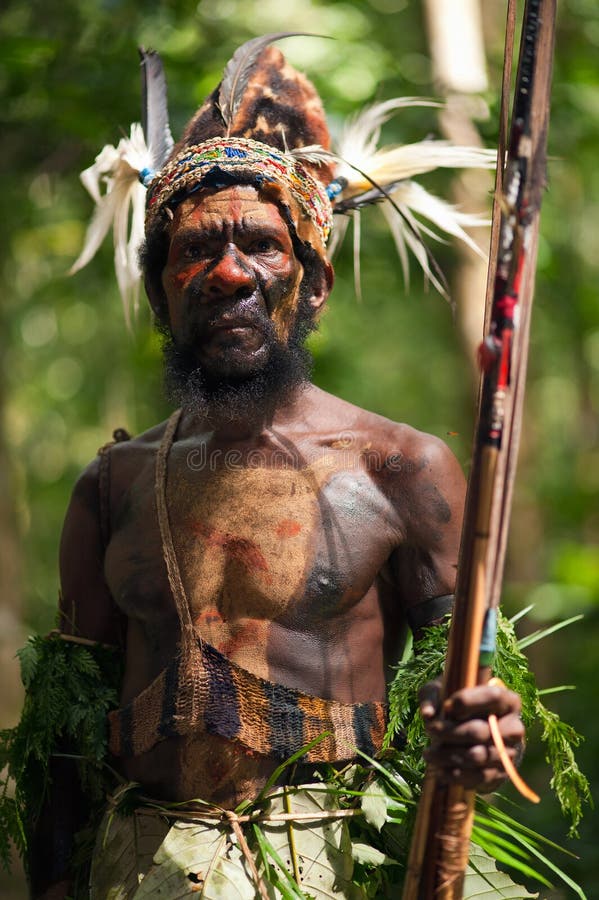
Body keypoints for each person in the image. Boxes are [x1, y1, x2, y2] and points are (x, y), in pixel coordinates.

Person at [30, 40, 523, 899]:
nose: (228, 273)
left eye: (260, 245)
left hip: (338, 858)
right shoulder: (113, 485)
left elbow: (473, 691)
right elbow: (62, 746)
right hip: (142, 866)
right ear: (160, 293)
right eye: (194, 251)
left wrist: (486, 736)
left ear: (315, 283)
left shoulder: (401, 468)